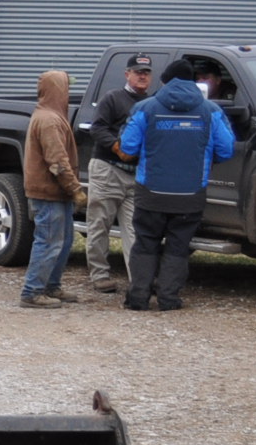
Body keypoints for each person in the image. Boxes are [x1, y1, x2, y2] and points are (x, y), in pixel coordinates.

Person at [118, 59, 236, 312]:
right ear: (193, 82)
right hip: (191, 193)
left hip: (150, 192)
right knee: (178, 247)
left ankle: (138, 298)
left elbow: (128, 146)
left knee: (145, 243)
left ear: (165, 81)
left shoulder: (145, 108)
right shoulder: (211, 111)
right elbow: (226, 149)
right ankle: (169, 299)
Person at [84, 54, 153, 293]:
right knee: (99, 224)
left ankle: (138, 280)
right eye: (137, 72)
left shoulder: (151, 103)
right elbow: (97, 128)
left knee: (134, 229)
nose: (142, 76)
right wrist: (116, 147)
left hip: (136, 175)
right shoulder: (112, 98)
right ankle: (99, 275)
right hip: (107, 169)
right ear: (127, 74)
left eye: (146, 72)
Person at [19, 69, 83, 308]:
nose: (69, 92)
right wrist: (75, 189)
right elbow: (57, 161)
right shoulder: (49, 120)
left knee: (63, 241)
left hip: (57, 193)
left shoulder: (52, 116)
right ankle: (32, 292)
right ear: (58, 89)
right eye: (67, 87)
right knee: (48, 241)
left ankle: (51, 286)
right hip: (47, 193)